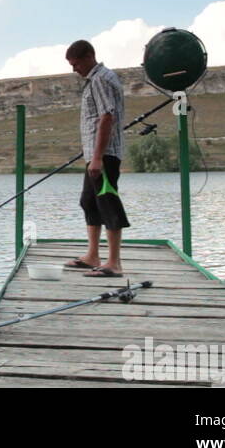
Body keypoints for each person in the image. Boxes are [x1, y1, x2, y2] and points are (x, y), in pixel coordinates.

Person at [63, 40, 130, 277]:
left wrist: (98, 157)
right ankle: (92, 255)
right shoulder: (96, 79)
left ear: (90, 56)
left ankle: (114, 263)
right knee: (89, 202)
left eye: (77, 63)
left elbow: (106, 117)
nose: (74, 69)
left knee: (107, 202)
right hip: (95, 155)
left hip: (105, 155)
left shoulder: (101, 78)